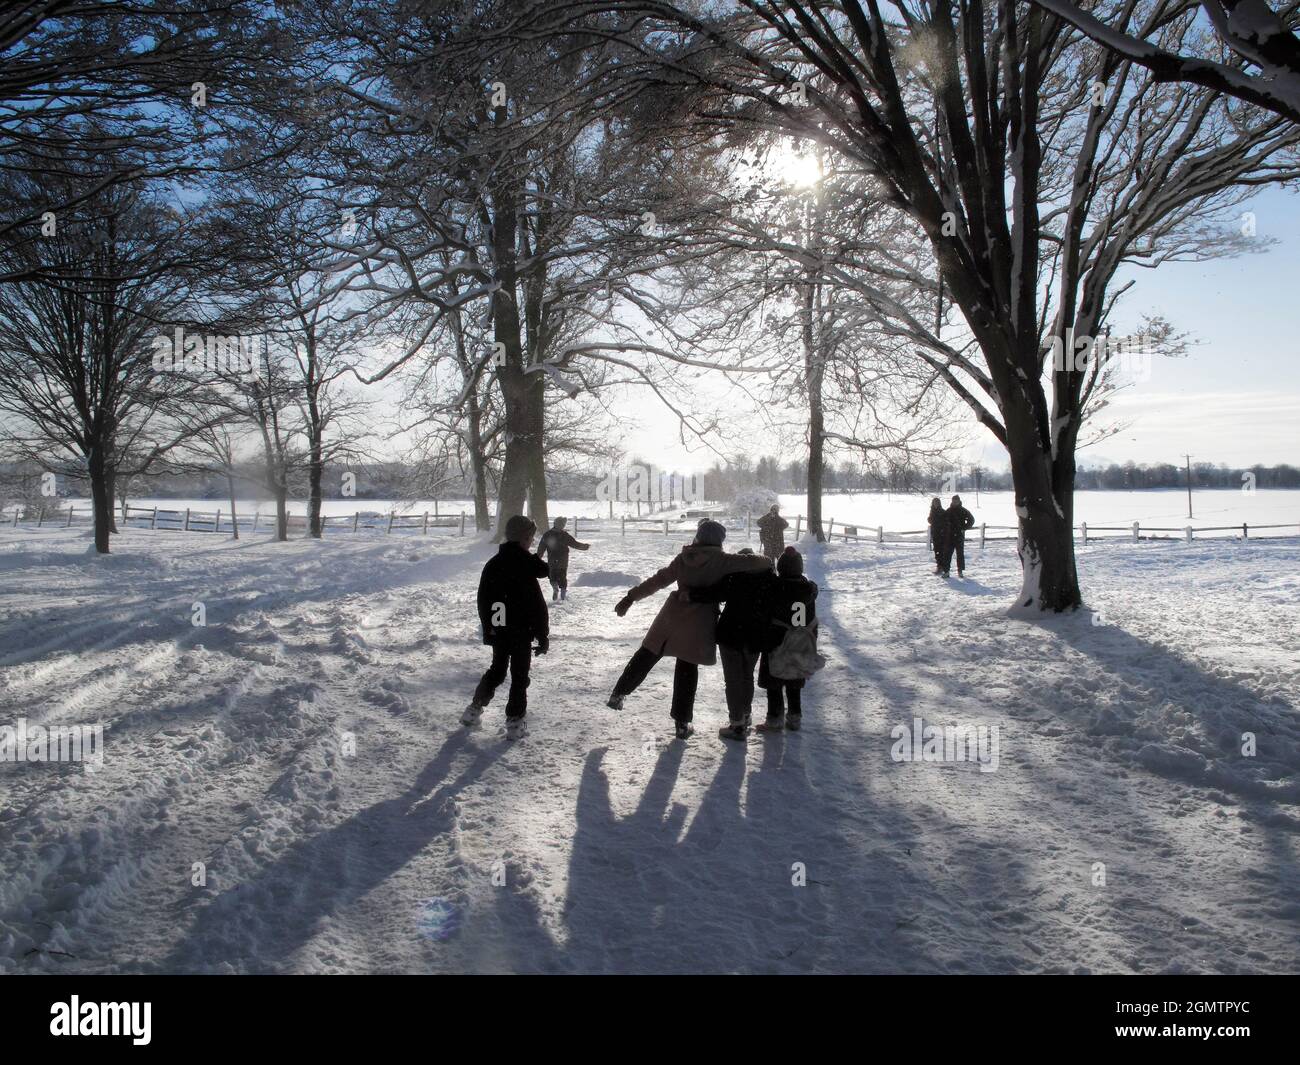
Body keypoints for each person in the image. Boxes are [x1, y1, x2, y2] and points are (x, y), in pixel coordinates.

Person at [607, 519, 772, 740]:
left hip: (672, 616)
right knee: (686, 670)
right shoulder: (723, 560)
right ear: (719, 540)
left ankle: (619, 693)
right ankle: (682, 724)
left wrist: (630, 597)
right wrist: (761, 558)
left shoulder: (685, 558)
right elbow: (762, 562)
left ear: (699, 536)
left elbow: (658, 580)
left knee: (647, 655)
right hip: (699, 624)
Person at [463, 515, 549, 740]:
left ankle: (474, 709)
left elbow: (485, 599)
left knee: (497, 670)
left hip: (500, 627)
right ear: (524, 538)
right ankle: (515, 722)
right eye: (530, 538)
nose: (532, 542)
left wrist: (490, 627)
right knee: (520, 676)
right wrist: (542, 634)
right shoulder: (527, 565)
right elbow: (537, 602)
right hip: (521, 630)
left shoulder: (494, 564)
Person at [688, 548, 784, 741]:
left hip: (731, 634)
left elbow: (713, 593)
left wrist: (690, 594)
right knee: (747, 676)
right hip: (756, 636)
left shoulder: (734, 577)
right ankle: (746, 714)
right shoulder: (770, 580)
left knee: (733, 680)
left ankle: (737, 724)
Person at [757, 546, 820, 732]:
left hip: (776, 641)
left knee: (774, 682)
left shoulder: (774, 588)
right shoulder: (807, 590)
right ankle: (794, 716)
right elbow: (809, 619)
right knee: (794, 681)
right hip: (800, 643)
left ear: (781, 567)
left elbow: (765, 614)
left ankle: (774, 717)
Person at [537, 516, 590, 601]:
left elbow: (541, 547)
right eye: (562, 524)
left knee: (552, 575)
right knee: (562, 576)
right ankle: (563, 593)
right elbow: (574, 544)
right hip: (563, 560)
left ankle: (555, 588)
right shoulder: (564, 535)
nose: (563, 526)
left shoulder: (548, 534)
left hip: (552, 559)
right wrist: (584, 547)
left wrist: (538, 557)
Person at [941, 494, 976, 578]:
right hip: (949, 536)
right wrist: (944, 530)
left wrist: (964, 528)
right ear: (952, 501)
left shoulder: (963, 510)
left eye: (956, 501)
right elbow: (942, 521)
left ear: (959, 501)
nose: (955, 502)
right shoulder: (948, 511)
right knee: (947, 554)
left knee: (960, 554)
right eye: (953, 500)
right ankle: (946, 571)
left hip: (959, 536)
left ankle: (960, 571)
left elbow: (971, 520)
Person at [927, 497, 950, 575]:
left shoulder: (942, 511)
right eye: (934, 503)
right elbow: (931, 520)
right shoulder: (932, 511)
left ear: (939, 503)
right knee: (936, 550)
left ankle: (941, 566)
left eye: (937, 503)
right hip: (935, 533)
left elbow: (945, 523)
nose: (936, 504)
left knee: (941, 551)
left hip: (941, 534)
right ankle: (939, 565)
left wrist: (942, 530)